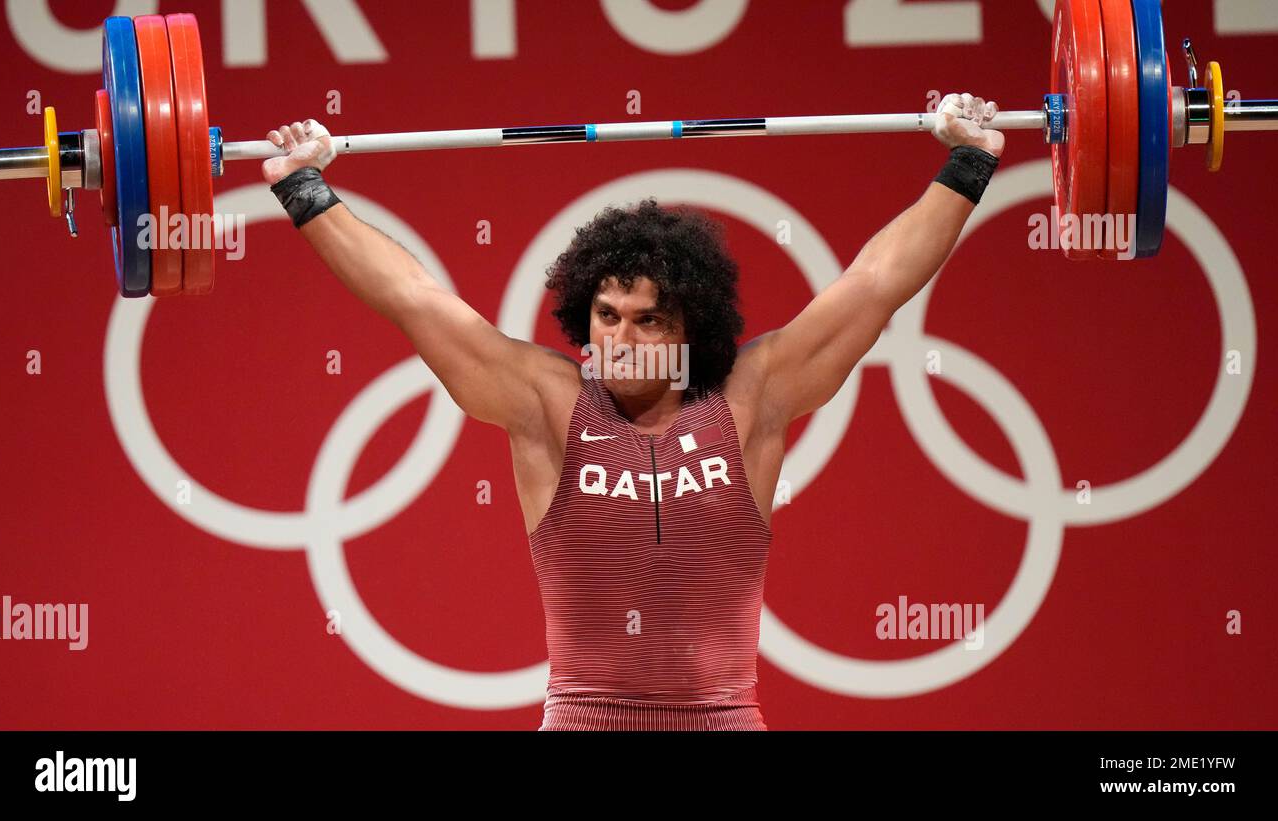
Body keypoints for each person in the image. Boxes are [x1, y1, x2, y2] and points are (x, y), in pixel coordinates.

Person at [262, 93, 1004, 730]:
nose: (620, 338)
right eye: (607, 315)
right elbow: (414, 298)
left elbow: (875, 284)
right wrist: (304, 189)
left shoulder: (751, 397)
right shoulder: (546, 402)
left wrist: (968, 163)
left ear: (690, 328)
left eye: (649, 320)